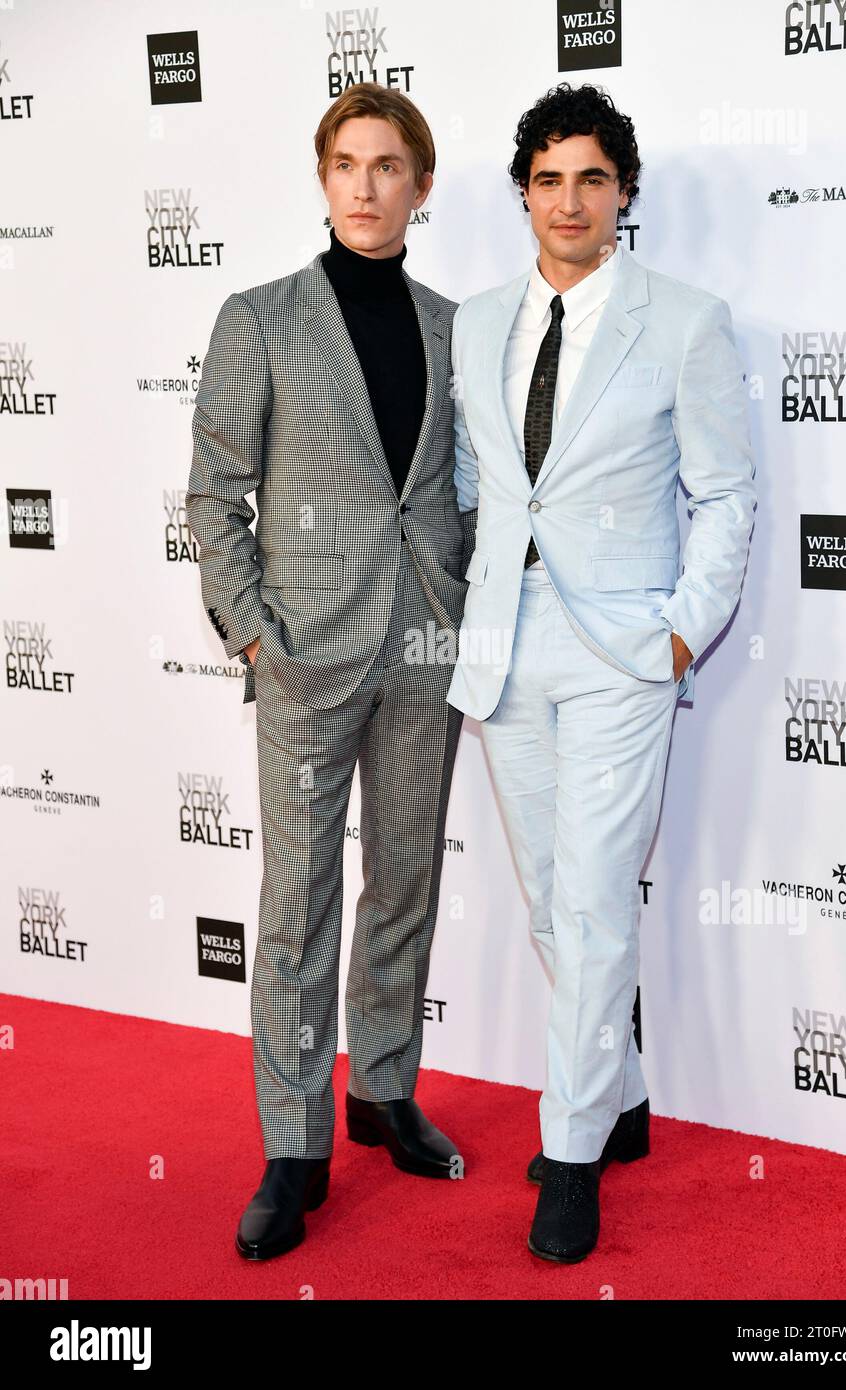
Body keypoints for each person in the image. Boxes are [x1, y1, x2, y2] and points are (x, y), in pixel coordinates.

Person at [446, 82, 756, 1263]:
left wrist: (681, 629)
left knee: (587, 895)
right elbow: (479, 487)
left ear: (623, 192)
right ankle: (619, 1092)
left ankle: (569, 1149)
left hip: (622, 650)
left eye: (590, 177)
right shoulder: (476, 323)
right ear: (521, 192)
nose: (567, 200)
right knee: (550, 904)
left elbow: (724, 491)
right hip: (501, 647)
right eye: (546, 177)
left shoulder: (681, 319)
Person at [186, 82, 476, 1262]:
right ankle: (294, 1144)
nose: (366, 185)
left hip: (423, 643)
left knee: (402, 880)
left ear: (420, 185)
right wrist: (252, 633)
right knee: (297, 906)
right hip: (304, 654)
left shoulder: (460, 325)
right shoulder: (259, 317)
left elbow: (455, 488)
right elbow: (215, 493)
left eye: (389, 165)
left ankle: (382, 1087)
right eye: (347, 164)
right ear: (323, 179)